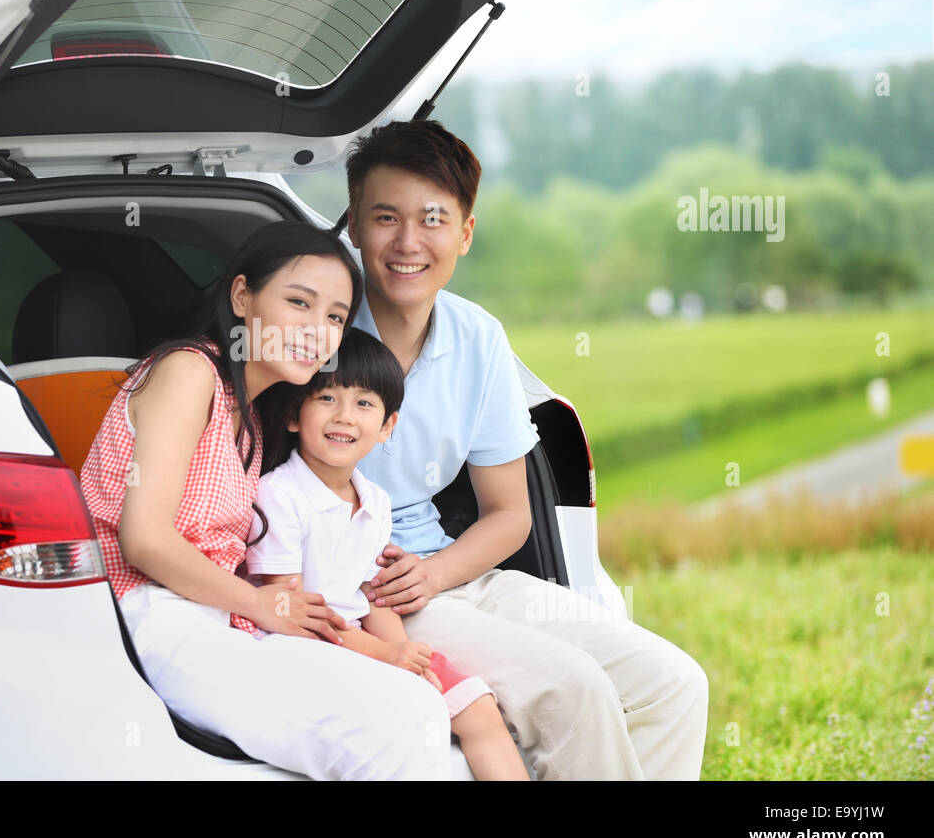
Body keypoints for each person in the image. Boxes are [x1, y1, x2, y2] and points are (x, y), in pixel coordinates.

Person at [338, 119, 710, 780]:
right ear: (354, 225)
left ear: (466, 233)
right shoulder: (319, 333)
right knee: (577, 691)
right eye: (385, 217)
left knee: (675, 684)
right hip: (375, 601)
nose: (407, 243)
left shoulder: (478, 337)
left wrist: (439, 572)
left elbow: (510, 513)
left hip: (460, 580)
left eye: (432, 219)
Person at [77, 220, 451, 780]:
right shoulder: (188, 372)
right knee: (390, 726)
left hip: (225, 617)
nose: (317, 330)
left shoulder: (253, 416)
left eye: (334, 317)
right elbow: (145, 540)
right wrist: (264, 606)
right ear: (241, 296)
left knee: (419, 707)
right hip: (145, 614)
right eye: (299, 302)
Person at [247, 327, 529, 780]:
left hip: (365, 643)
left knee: (478, 708)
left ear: (386, 427)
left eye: (364, 404)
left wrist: (404, 654)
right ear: (294, 414)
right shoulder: (279, 496)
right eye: (326, 398)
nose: (344, 417)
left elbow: (373, 595)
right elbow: (292, 616)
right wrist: (384, 657)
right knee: (413, 718)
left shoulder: (374, 501)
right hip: (306, 649)